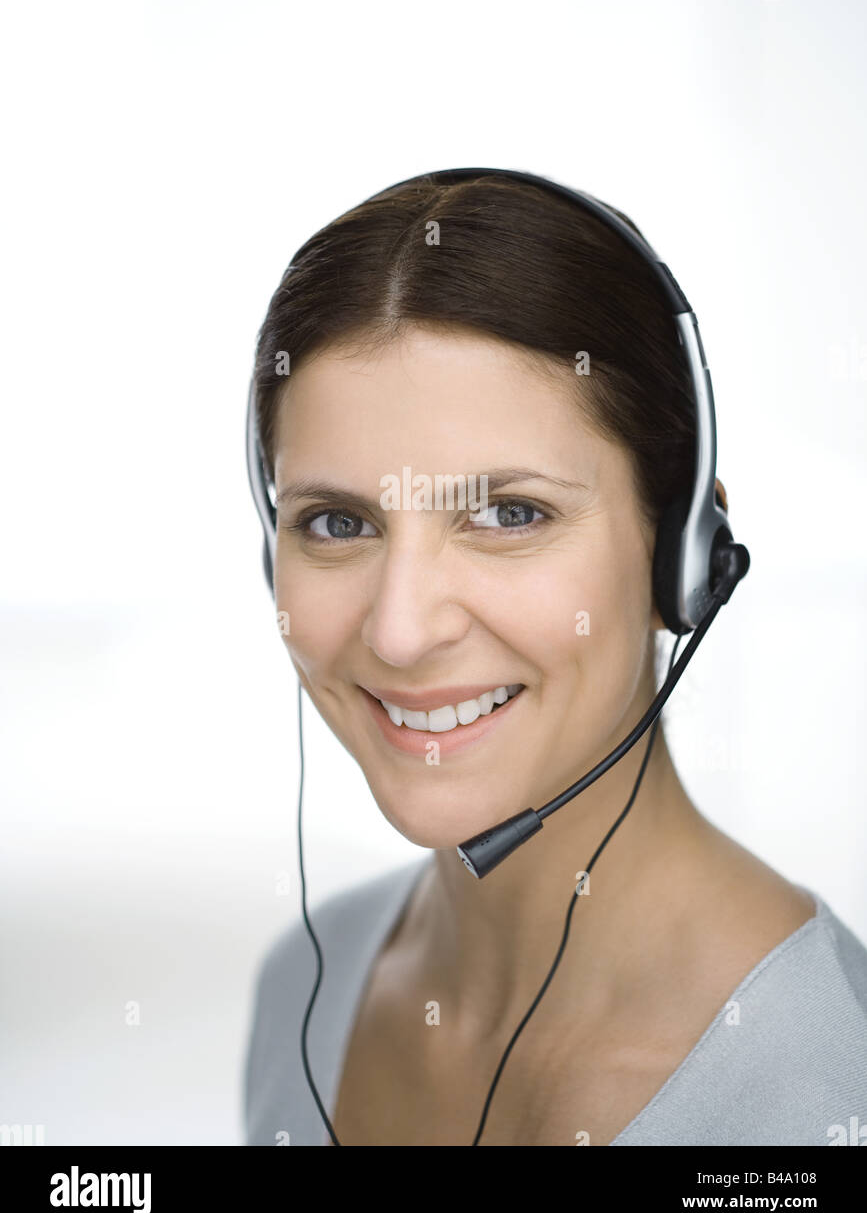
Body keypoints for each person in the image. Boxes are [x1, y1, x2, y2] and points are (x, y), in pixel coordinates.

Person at [242, 171, 867, 1146]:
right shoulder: (302, 998)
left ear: (683, 557)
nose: (400, 630)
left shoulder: (814, 1097)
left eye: (508, 513)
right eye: (336, 521)